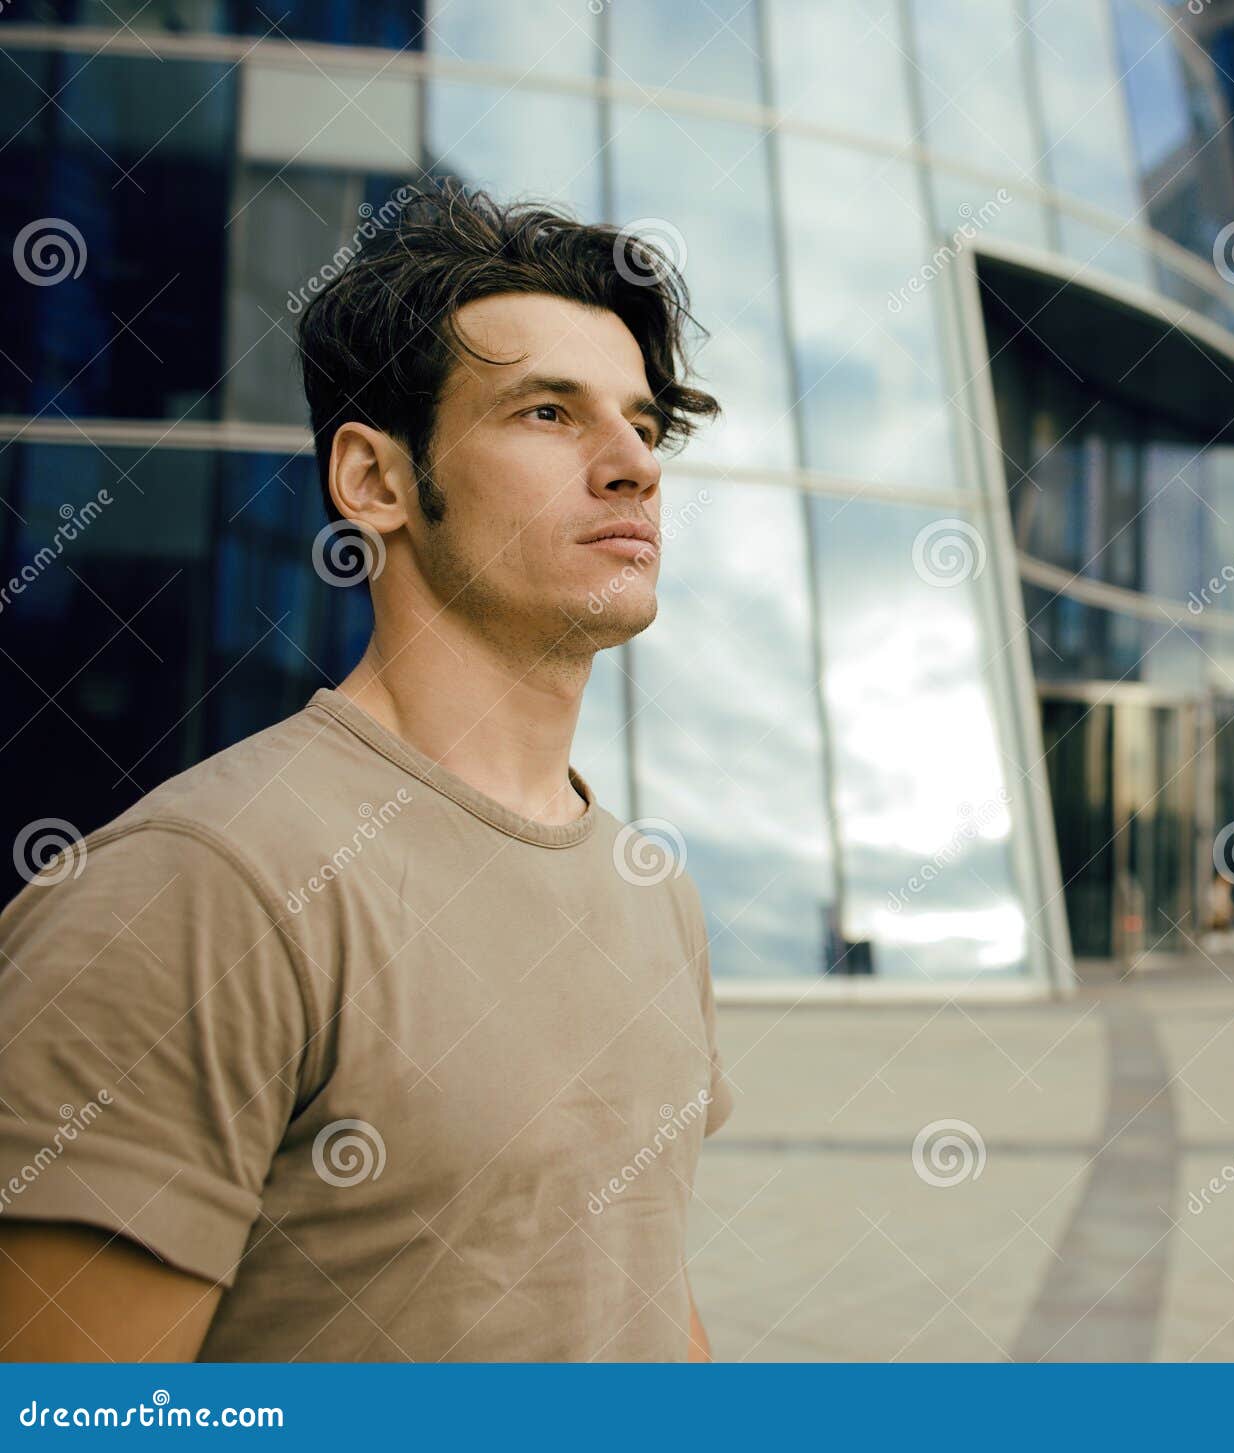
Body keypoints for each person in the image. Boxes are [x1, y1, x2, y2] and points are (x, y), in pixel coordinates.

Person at [0, 179, 733, 1362]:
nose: (629, 466)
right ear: (374, 483)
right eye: (547, 413)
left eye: (640, 425)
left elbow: (642, 1298)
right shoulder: (200, 889)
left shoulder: (653, 891)